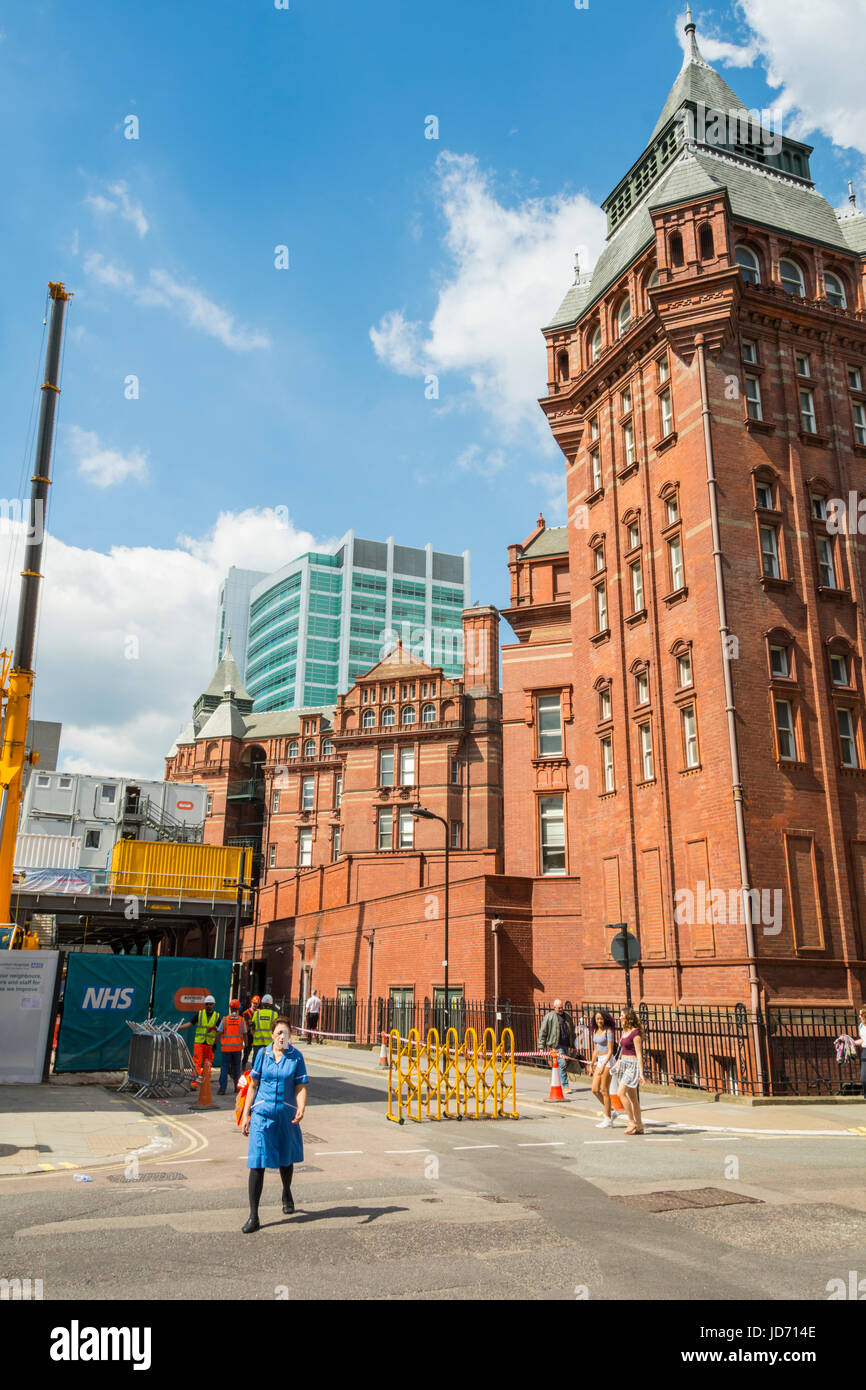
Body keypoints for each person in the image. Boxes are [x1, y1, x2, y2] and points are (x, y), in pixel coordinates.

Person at [240, 1015, 308, 1233]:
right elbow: (253, 1084)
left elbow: (300, 1086)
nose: (282, 1036)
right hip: (262, 1114)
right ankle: (254, 1216)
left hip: (285, 1115)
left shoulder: (296, 1057)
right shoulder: (262, 1054)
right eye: (279, 1032)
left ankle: (286, 1191)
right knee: (257, 1162)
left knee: (285, 1159)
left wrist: (301, 1107)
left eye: (286, 1033)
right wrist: (245, 1115)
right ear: (272, 1035)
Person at [614, 1007, 646, 1135]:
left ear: (627, 1017)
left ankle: (631, 1121)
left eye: (622, 1015)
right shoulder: (624, 1030)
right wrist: (618, 1062)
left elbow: (639, 1054)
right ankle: (640, 1126)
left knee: (620, 1093)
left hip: (632, 1065)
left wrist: (641, 1073)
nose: (620, 1017)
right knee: (633, 1099)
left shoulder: (635, 1033)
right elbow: (622, 1049)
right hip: (624, 1064)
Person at [538, 999, 576, 1094]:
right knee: (562, 1064)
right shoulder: (549, 1017)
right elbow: (543, 1031)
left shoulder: (567, 1016)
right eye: (558, 1008)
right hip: (555, 1045)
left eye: (561, 1007)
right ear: (554, 1007)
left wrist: (573, 1044)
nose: (561, 1009)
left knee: (560, 1065)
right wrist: (541, 1046)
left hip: (565, 1044)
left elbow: (571, 1030)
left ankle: (552, 1079)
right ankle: (565, 1086)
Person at [589, 1010, 618, 1127]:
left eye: (601, 1018)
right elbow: (596, 1049)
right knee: (595, 1089)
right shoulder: (595, 1031)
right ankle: (611, 1111)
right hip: (600, 1060)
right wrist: (592, 1063)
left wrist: (603, 1065)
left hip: (608, 1060)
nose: (599, 1021)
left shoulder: (608, 1030)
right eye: (597, 1019)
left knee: (604, 1090)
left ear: (605, 1019)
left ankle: (608, 1120)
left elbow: (611, 1051)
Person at [189, 994, 220, 1090]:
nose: (208, 1006)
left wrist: (215, 1042)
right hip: (199, 1042)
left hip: (209, 1043)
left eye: (210, 1004)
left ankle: (205, 1082)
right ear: (205, 1005)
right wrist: (179, 1027)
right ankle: (194, 1083)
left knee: (208, 1064)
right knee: (196, 1062)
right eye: (207, 1004)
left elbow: (219, 1031)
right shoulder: (200, 1014)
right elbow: (190, 1023)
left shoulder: (217, 1016)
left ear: (213, 1005)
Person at [216, 998, 245, 1095]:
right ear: (238, 1008)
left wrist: (214, 1043)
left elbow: (219, 1032)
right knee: (237, 1068)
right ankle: (237, 1088)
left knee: (224, 1068)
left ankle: (222, 1089)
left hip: (226, 1049)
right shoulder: (241, 1020)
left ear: (230, 1008)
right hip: (237, 1049)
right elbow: (245, 1033)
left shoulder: (224, 1020)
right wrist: (247, 1044)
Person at [249, 994, 277, 1063]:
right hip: (270, 1044)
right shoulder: (274, 1014)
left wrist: (254, 1036)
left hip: (257, 1044)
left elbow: (252, 1029)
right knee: (268, 1064)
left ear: (262, 1003)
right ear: (271, 1004)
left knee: (256, 1064)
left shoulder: (256, 1014)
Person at [242, 996, 260, 1069]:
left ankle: (254, 1066)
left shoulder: (259, 1012)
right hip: (249, 1035)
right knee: (247, 1051)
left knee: (256, 1052)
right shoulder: (246, 1013)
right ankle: (243, 1064)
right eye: (254, 1003)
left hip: (256, 1035)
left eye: (256, 1003)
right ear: (251, 1003)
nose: (255, 1005)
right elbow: (245, 1025)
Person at [853, 1006, 866, 1099]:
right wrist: (852, 1043)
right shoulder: (861, 1026)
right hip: (865, 1052)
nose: (859, 1016)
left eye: (861, 1014)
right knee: (864, 1078)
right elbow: (863, 1040)